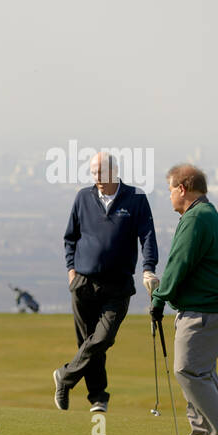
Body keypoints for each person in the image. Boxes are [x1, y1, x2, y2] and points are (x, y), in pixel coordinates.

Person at [150, 163, 218, 435]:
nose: (169, 197)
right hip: (209, 308)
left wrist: (159, 298)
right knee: (201, 373)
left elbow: (179, 264)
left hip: (204, 310)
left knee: (188, 371)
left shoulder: (196, 218)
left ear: (182, 188)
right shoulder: (205, 214)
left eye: (170, 190)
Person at [54, 151, 159, 414]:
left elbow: (147, 235)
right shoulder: (83, 197)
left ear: (114, 171)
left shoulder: (135, 198)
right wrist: (71, 270)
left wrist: (148, 269)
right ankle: (98, 397)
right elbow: (70, 237)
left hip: (118, 285)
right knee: (87, 342)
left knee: (102, 338)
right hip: (83, 283)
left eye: (101, 172)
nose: (97, 178)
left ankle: (64, 377)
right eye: (93, 173)